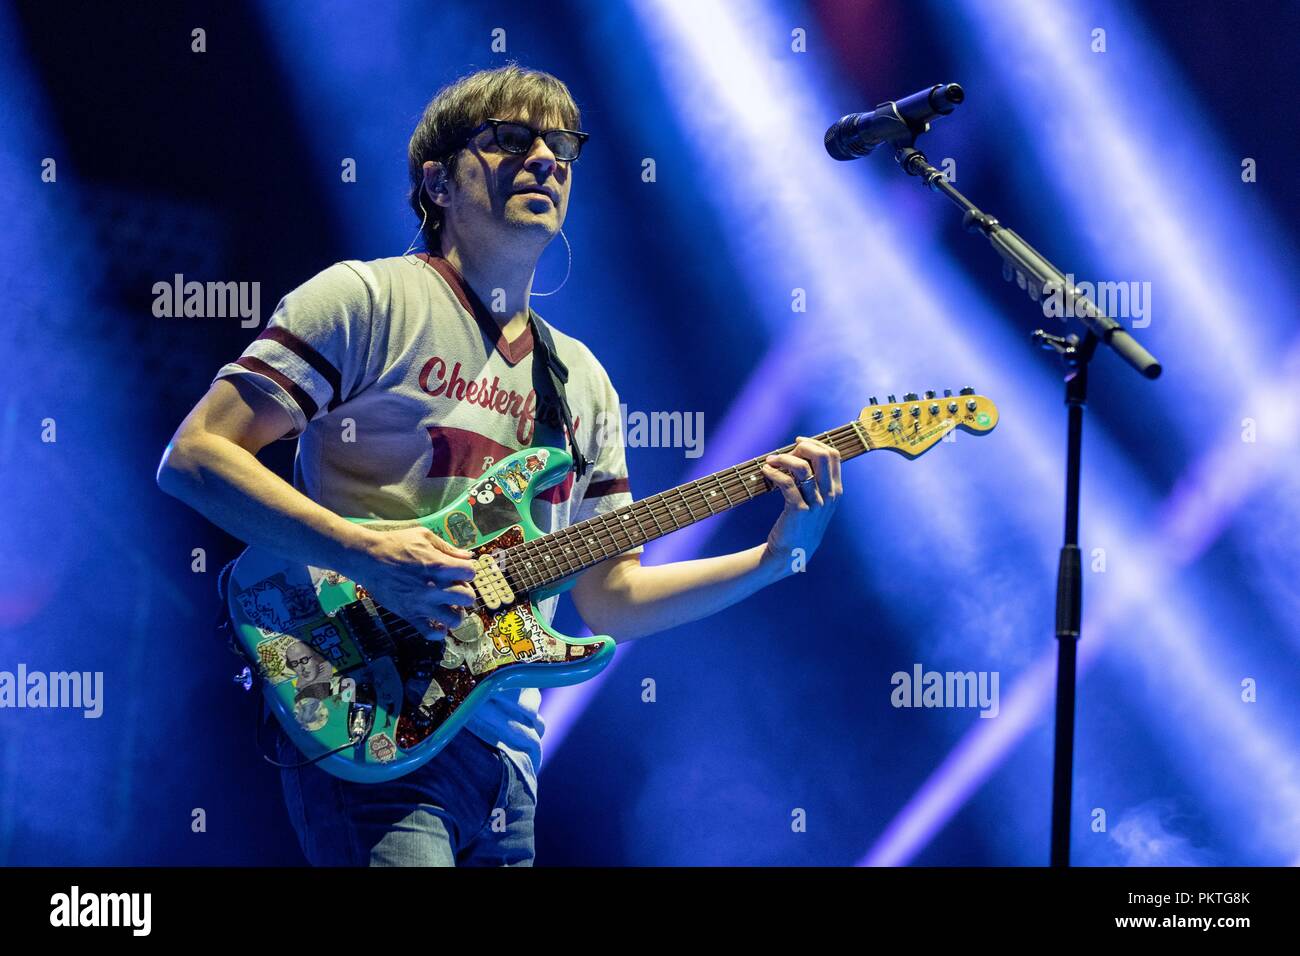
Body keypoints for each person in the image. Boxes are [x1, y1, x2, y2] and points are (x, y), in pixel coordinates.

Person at [156, 63, 843, 866]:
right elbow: (196, 455)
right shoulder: (365, 301)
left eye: (562, 147)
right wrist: (366, 551)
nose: (546, 160)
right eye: (512, 139)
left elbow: (613, 599)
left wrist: (779, 554)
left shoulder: (581, 380)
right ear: (437, 181)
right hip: (367, 708)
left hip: (509, 761)